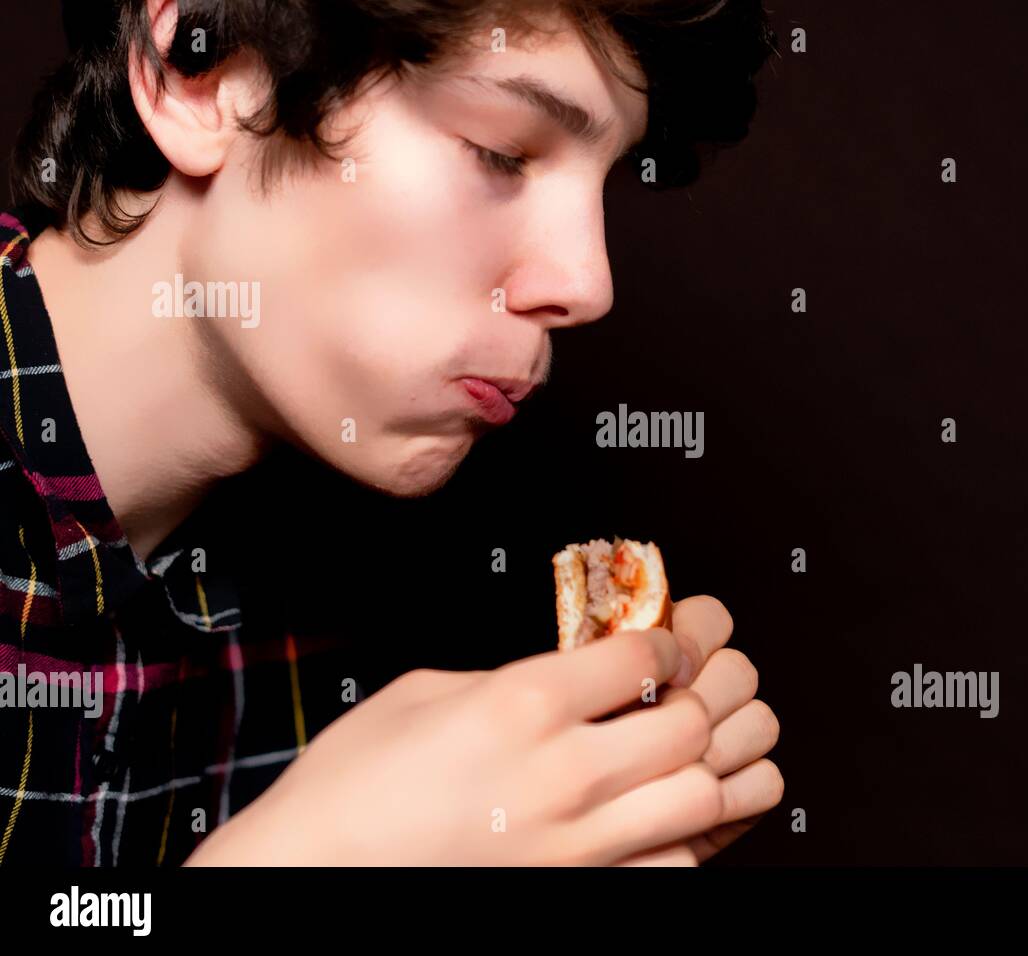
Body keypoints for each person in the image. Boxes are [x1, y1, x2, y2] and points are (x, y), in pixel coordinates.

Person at [0, 0, 781, 865]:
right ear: (200, 74)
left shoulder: (388, 581)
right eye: (501, 151)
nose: (588, 284)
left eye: (606, 183)